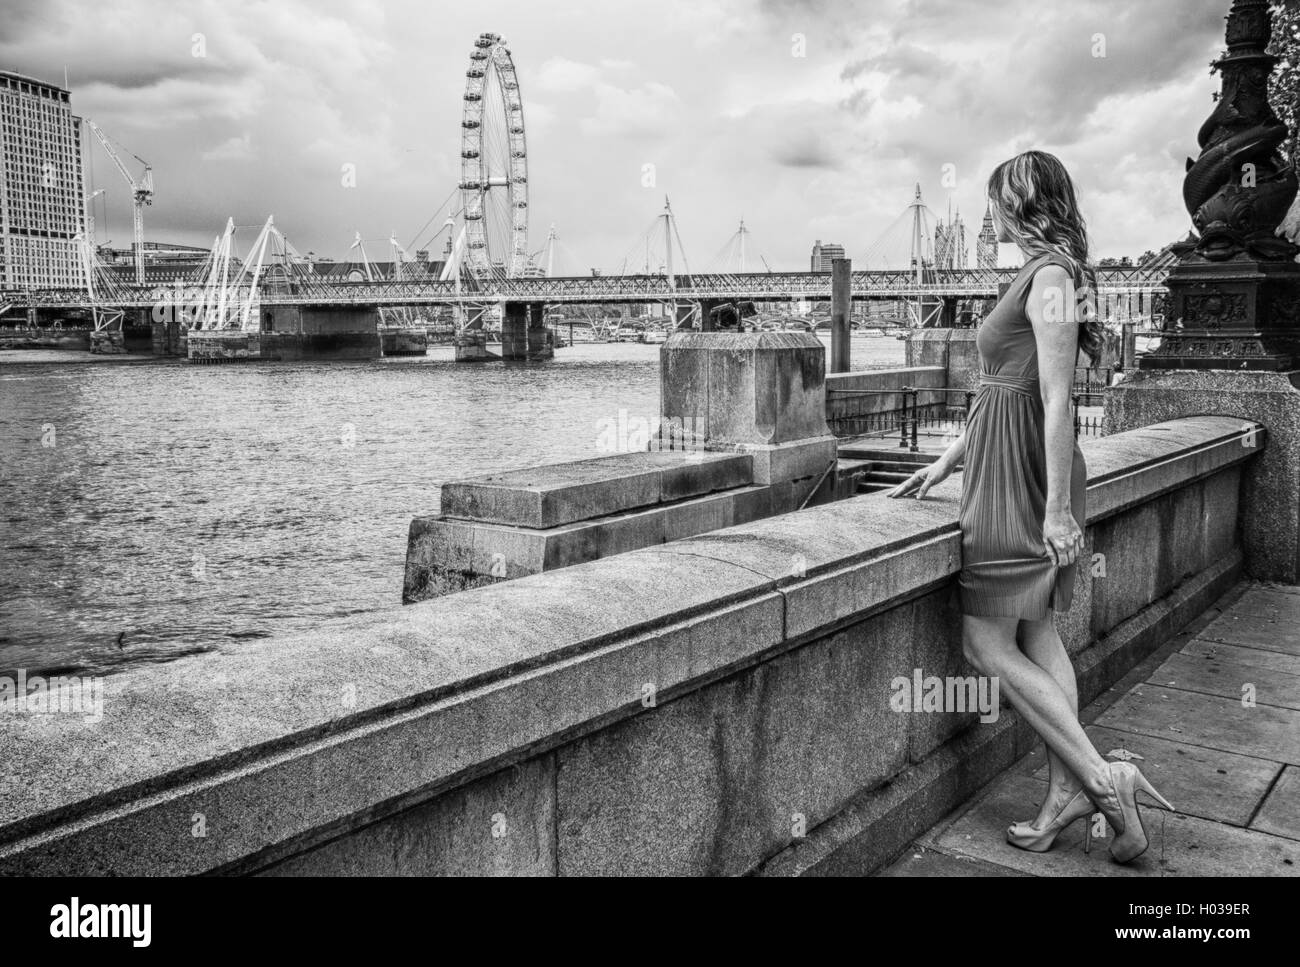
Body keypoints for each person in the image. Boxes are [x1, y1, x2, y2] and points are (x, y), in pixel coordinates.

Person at [887, 151, 1173, 863]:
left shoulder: (1047, 276)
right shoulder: (1045, 272)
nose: (999, 214)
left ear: (1031, 203)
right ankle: (1063, 795)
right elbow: (998, 388)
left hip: (1020, 478)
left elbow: (1051, 398)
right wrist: (945, 462)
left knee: (985, 641)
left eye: (1004, 199)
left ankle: (1106, 780)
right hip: (1004, 461)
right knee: (1040, 638)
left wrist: (1053, 512)